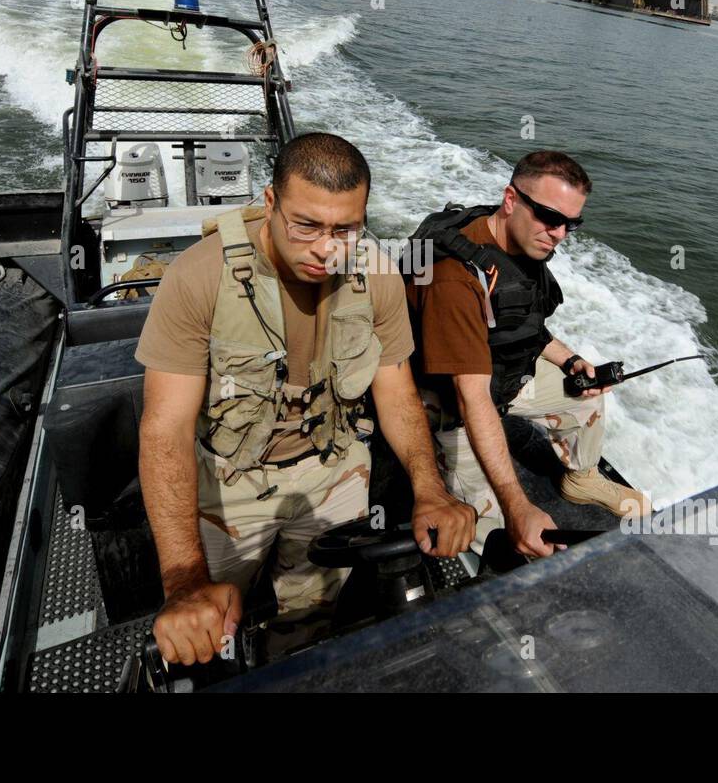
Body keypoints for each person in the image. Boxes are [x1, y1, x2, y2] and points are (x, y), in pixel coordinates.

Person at [136, 132, 476, 665]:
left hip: (332, 470)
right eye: (307, 225)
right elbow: (165, 429)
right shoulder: (198, 277)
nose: (327, 248)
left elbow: (397, 393)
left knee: (316, 618)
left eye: (346, 228)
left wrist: (430, 489)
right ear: (270, 203)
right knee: (210, 630)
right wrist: (183, 580)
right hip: (230, 481)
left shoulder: (376, 274)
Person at [405, 150, 651, 559]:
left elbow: (520, 322)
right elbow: (472, 397)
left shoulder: (520, 242)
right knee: (494, 522)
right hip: (447, 397)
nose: (559, 234)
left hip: (498, 370)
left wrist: (572, 362)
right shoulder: (454, 279)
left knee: (585, 397)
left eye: (572, 224)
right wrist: (517, 505)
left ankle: (580, 478)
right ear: (510, 200)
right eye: (550, 218)